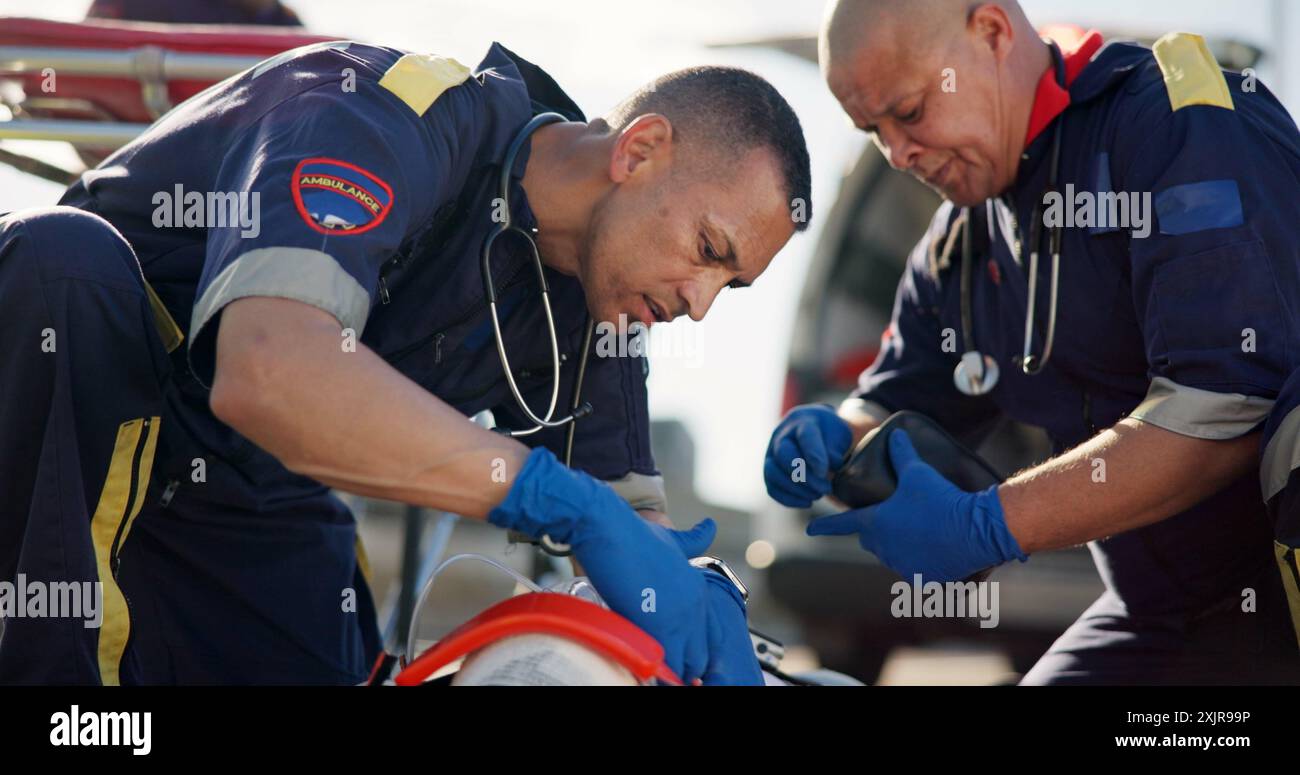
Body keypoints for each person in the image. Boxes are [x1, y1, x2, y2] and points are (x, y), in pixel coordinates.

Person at [0, 39, 811, 685]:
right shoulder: (383, 114)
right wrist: (542, 492)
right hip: (69, 423)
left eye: (729, 286)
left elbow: (633, 528)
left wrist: (699, 588)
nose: (699, 303)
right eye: (708, 250)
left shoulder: (600, 302)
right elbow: (269, 371)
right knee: (62, 264)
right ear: (639, 150)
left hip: (238, 484)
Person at [765, 0, 1300, 684]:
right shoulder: (962, 243)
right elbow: (900, 403)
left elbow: (1224, 409)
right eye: (873, 131)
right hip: (1163, 616)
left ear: (990, 31)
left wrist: (988, 523)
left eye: (909, 112)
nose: (898, 154)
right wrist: (835, 437)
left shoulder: (1178, 127)